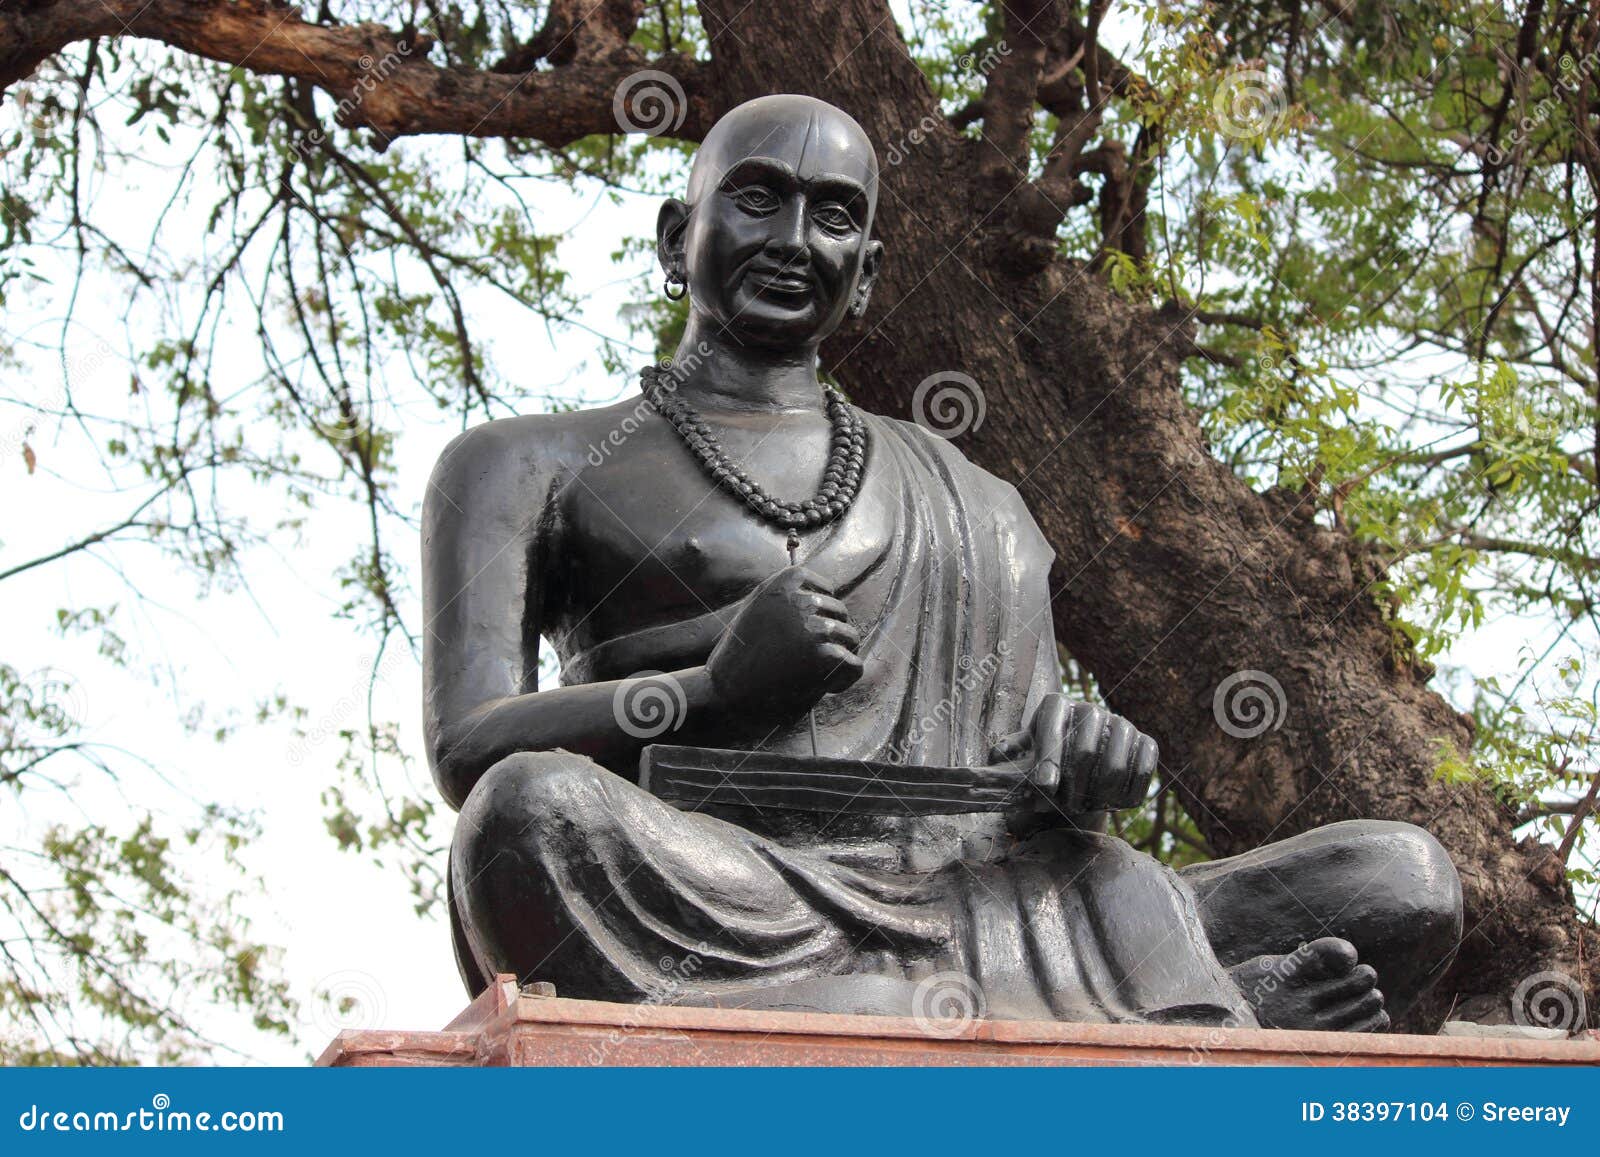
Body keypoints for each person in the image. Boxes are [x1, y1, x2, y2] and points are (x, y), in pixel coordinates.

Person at [422, 94, 1460, 1030]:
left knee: (1401, 876)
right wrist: (710, 688)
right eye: (755, 198)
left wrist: (1080, 763)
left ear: (866, 271)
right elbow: (468, 746)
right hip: (718, 880)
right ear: (675, 235)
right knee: (524, 817)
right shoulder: (527, 462)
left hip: (984, 895)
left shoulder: (976, 500)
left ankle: (920, 1014)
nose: (792, 240)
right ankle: (1178, 1007)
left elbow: (1021, 791)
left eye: (833, 216)